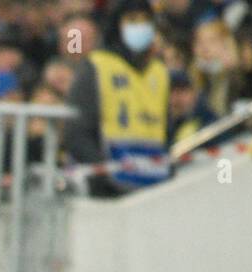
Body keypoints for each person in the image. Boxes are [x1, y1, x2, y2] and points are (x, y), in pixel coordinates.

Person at [64, 0, 171, 194]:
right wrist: (104, 173)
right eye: (132, 20)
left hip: (156, 185)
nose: (140, 26)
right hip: (108, 188)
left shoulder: (160, 72)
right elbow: (76, 132)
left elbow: (167, 129)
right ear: (117, 24)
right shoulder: (96, 67)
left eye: (146, 20)